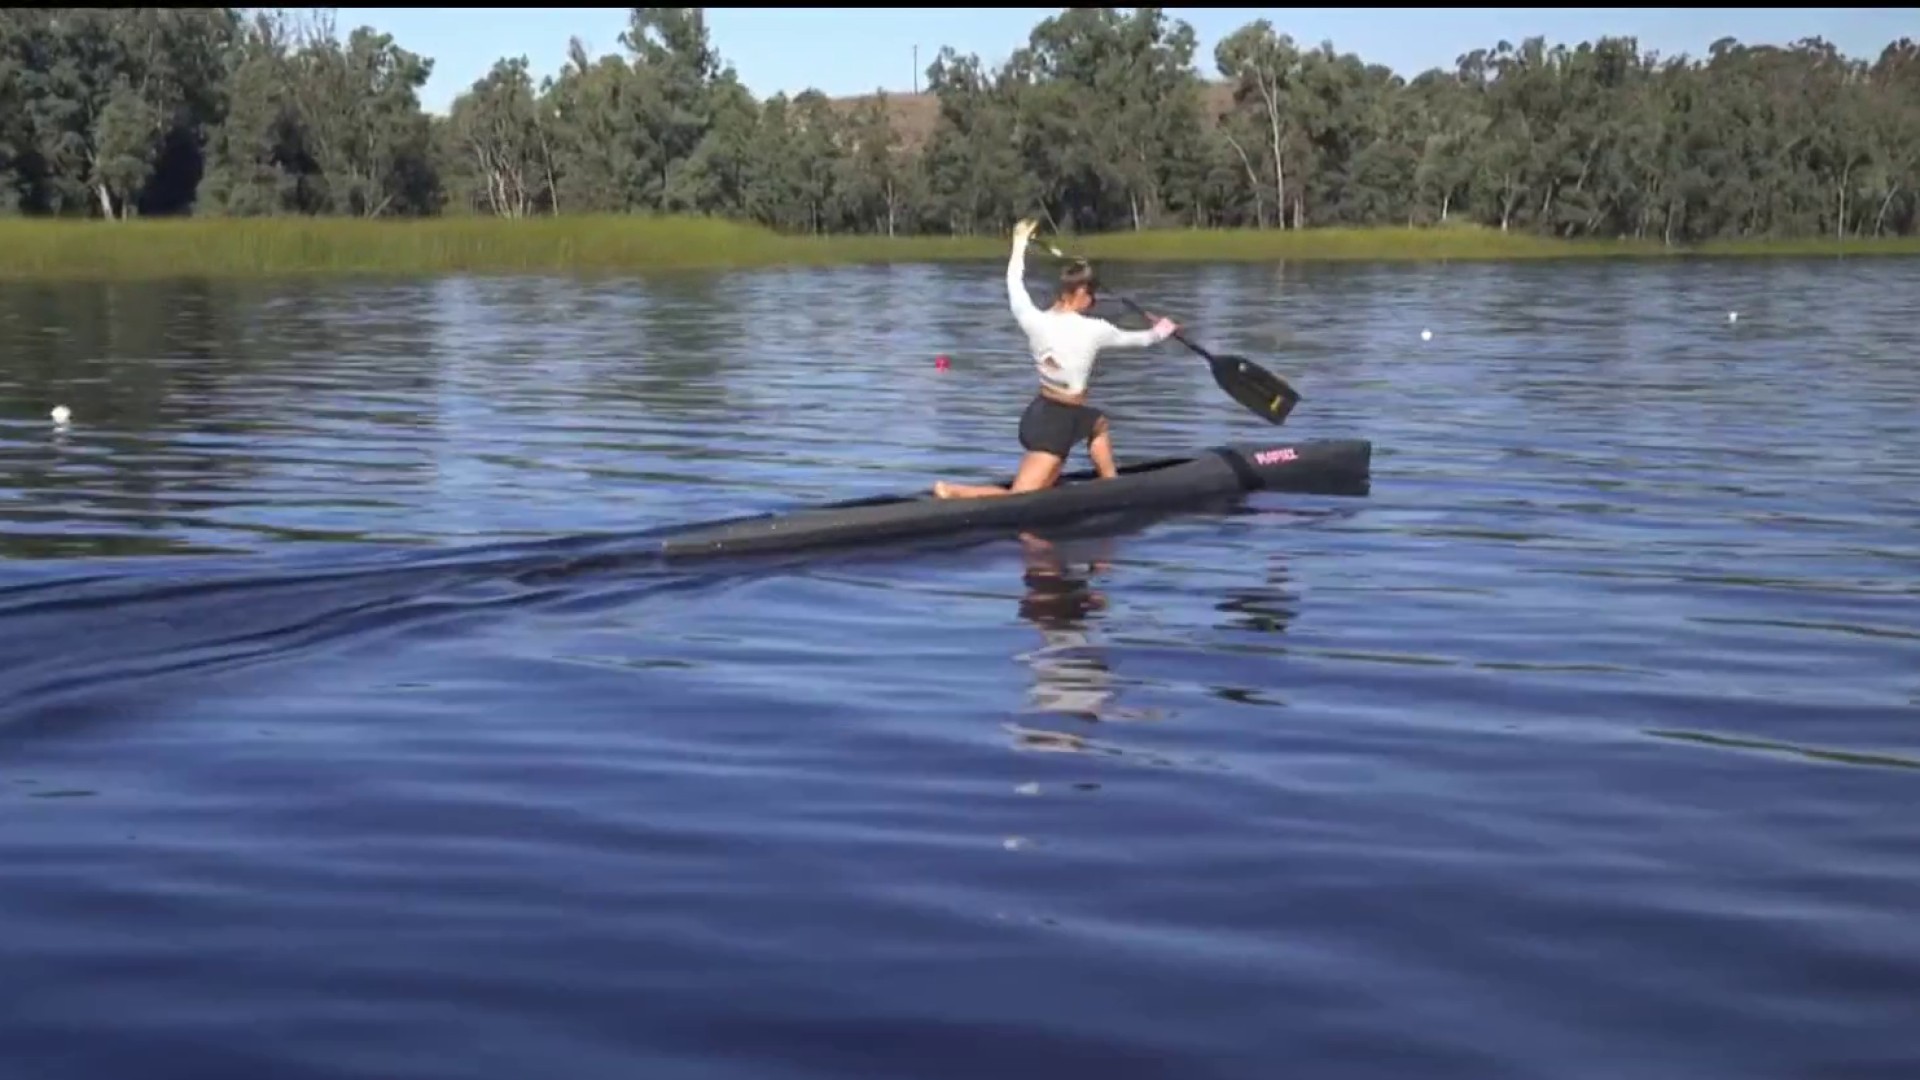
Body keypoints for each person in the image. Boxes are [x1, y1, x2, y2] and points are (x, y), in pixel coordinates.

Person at [932, 218, 1178, 500]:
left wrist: (1019, 244)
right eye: (1092, 296)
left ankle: (1112, 486)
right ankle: (953, 491)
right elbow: (1141, 339)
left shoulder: (1032, 319)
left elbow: (1014, 282)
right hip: (1056, 425)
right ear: (1081, 292)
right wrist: (1163, 330)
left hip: (1041, 413)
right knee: (1021, 498)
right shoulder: (1094, 329)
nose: (1094, 302)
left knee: (1097, 423)